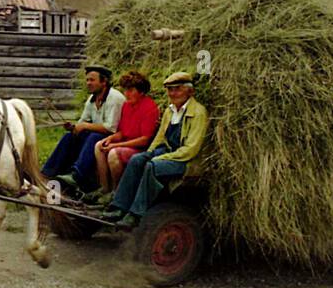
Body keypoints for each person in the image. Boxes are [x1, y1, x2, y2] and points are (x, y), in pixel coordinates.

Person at [99, 71, 208, 230]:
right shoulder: (170, 110)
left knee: (152, 166)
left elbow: (191, 149)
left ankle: (135, 214)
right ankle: (120, 207)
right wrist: (150, 152)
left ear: (190, 91)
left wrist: (159, 158)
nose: (173, 93)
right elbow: (160, 136)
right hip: (169, 151)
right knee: (137, 160)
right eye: (170, 90)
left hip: (185, 160)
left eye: (177, 89)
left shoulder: (198, 112)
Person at [41, 65, 123, 194]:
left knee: (93, 137)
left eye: (92, 80)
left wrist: (84, 126)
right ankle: (47, 173)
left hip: (115, 136)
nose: (88, 83)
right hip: (98, 134)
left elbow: (110, 128)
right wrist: (73, 127)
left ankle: (77, 175)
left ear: (104, 82)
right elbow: (82, 122)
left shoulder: (115, 98)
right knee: (70, 137)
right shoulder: (91, 100)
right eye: (87, 80)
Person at [91, 71, 160, 196]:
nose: (126, 94)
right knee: (99, 146)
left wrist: (116, 146)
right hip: (127, 144)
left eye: (131, 90)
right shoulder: (127, 106)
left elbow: (145, 139)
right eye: (125, 90)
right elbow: (123, 132)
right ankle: (104, 188)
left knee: (113, 153)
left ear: (141, 91)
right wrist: (111, 138)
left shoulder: (150, 108)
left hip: (140, 149)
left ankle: (117, 192)